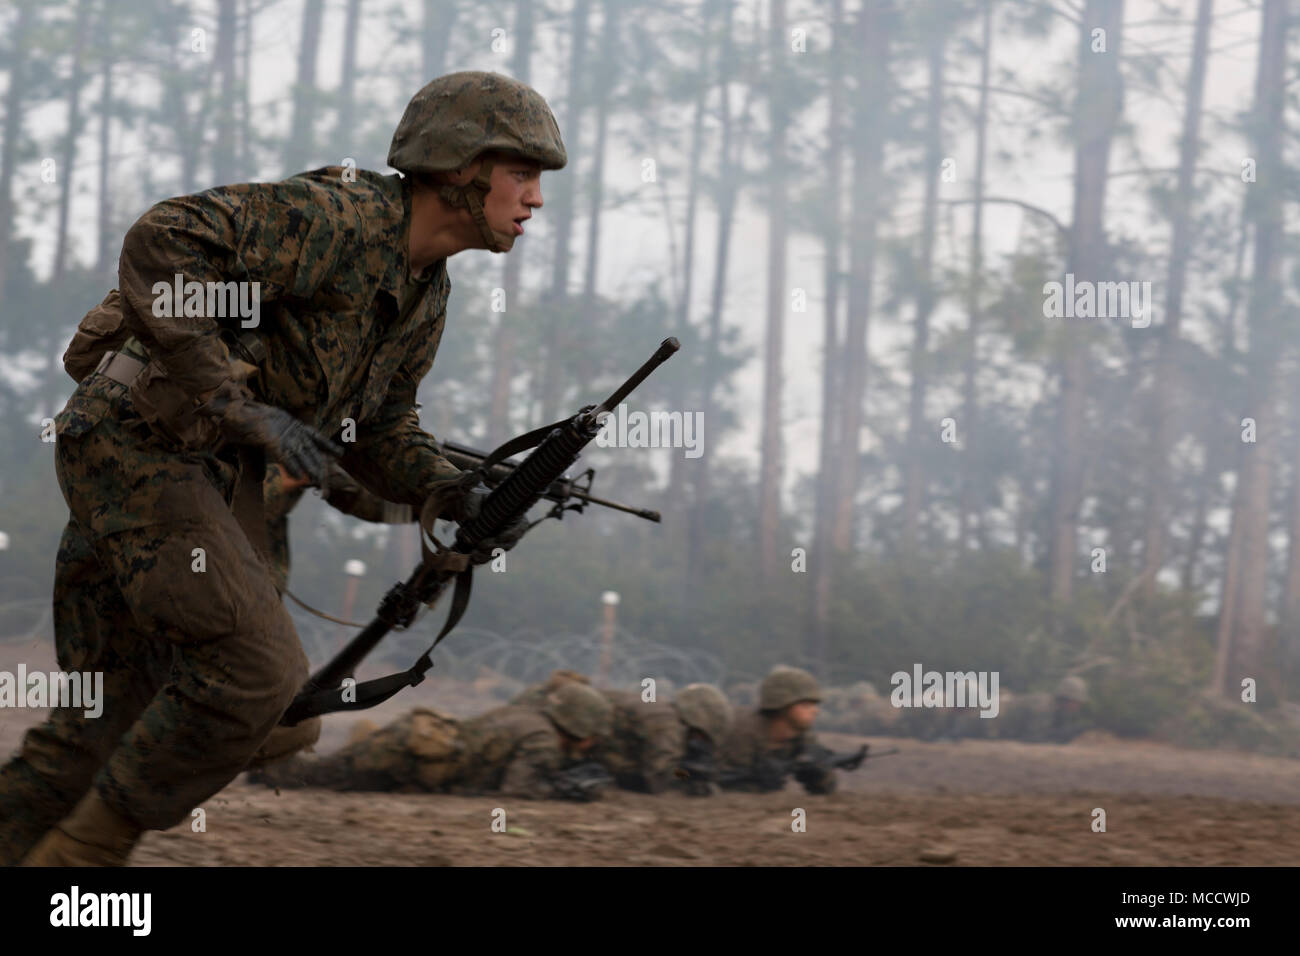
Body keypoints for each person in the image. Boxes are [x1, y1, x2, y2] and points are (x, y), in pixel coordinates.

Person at [1, 70, 565, 866]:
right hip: (134, 442)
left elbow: (381, 432)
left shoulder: (426, 293)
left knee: (118, 714)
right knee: (258, 674)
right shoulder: (340, 216)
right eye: (524, 173)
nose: (536, 199)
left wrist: (457, 488)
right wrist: (239, 404)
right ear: (459, 166)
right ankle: (81, 860)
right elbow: (161, 239)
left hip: (196, 471)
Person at [249, 682, 614, 801]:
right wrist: (565, 792)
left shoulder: (529, 717)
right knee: (322, 778)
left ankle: (268, 761)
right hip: (413, 755)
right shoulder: (542, 739)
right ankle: (262, 764)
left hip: (418, 741)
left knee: (334, 771)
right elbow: (518, 790)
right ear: (579, 727)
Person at [718, 665, 850, 795]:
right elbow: (727, 785)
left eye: (814, 705)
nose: (815, 710)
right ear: (782, 706)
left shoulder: (803, 736)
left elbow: (826, 788)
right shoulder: (744, 731)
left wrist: (818, 773)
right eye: (805, 705)